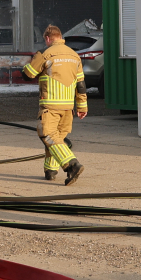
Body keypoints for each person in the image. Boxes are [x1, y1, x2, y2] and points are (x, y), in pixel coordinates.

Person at [22, 24, 88, 184]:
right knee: (57, 138)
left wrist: (28, 63)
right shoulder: (74, 56)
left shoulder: (46, 53)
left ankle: (72, 165)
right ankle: (50, 171)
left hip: (50, 105)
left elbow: (28, 74)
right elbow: (81, 84)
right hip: (68, 108)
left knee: (47, 134)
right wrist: (82, 106)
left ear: (47, 38)